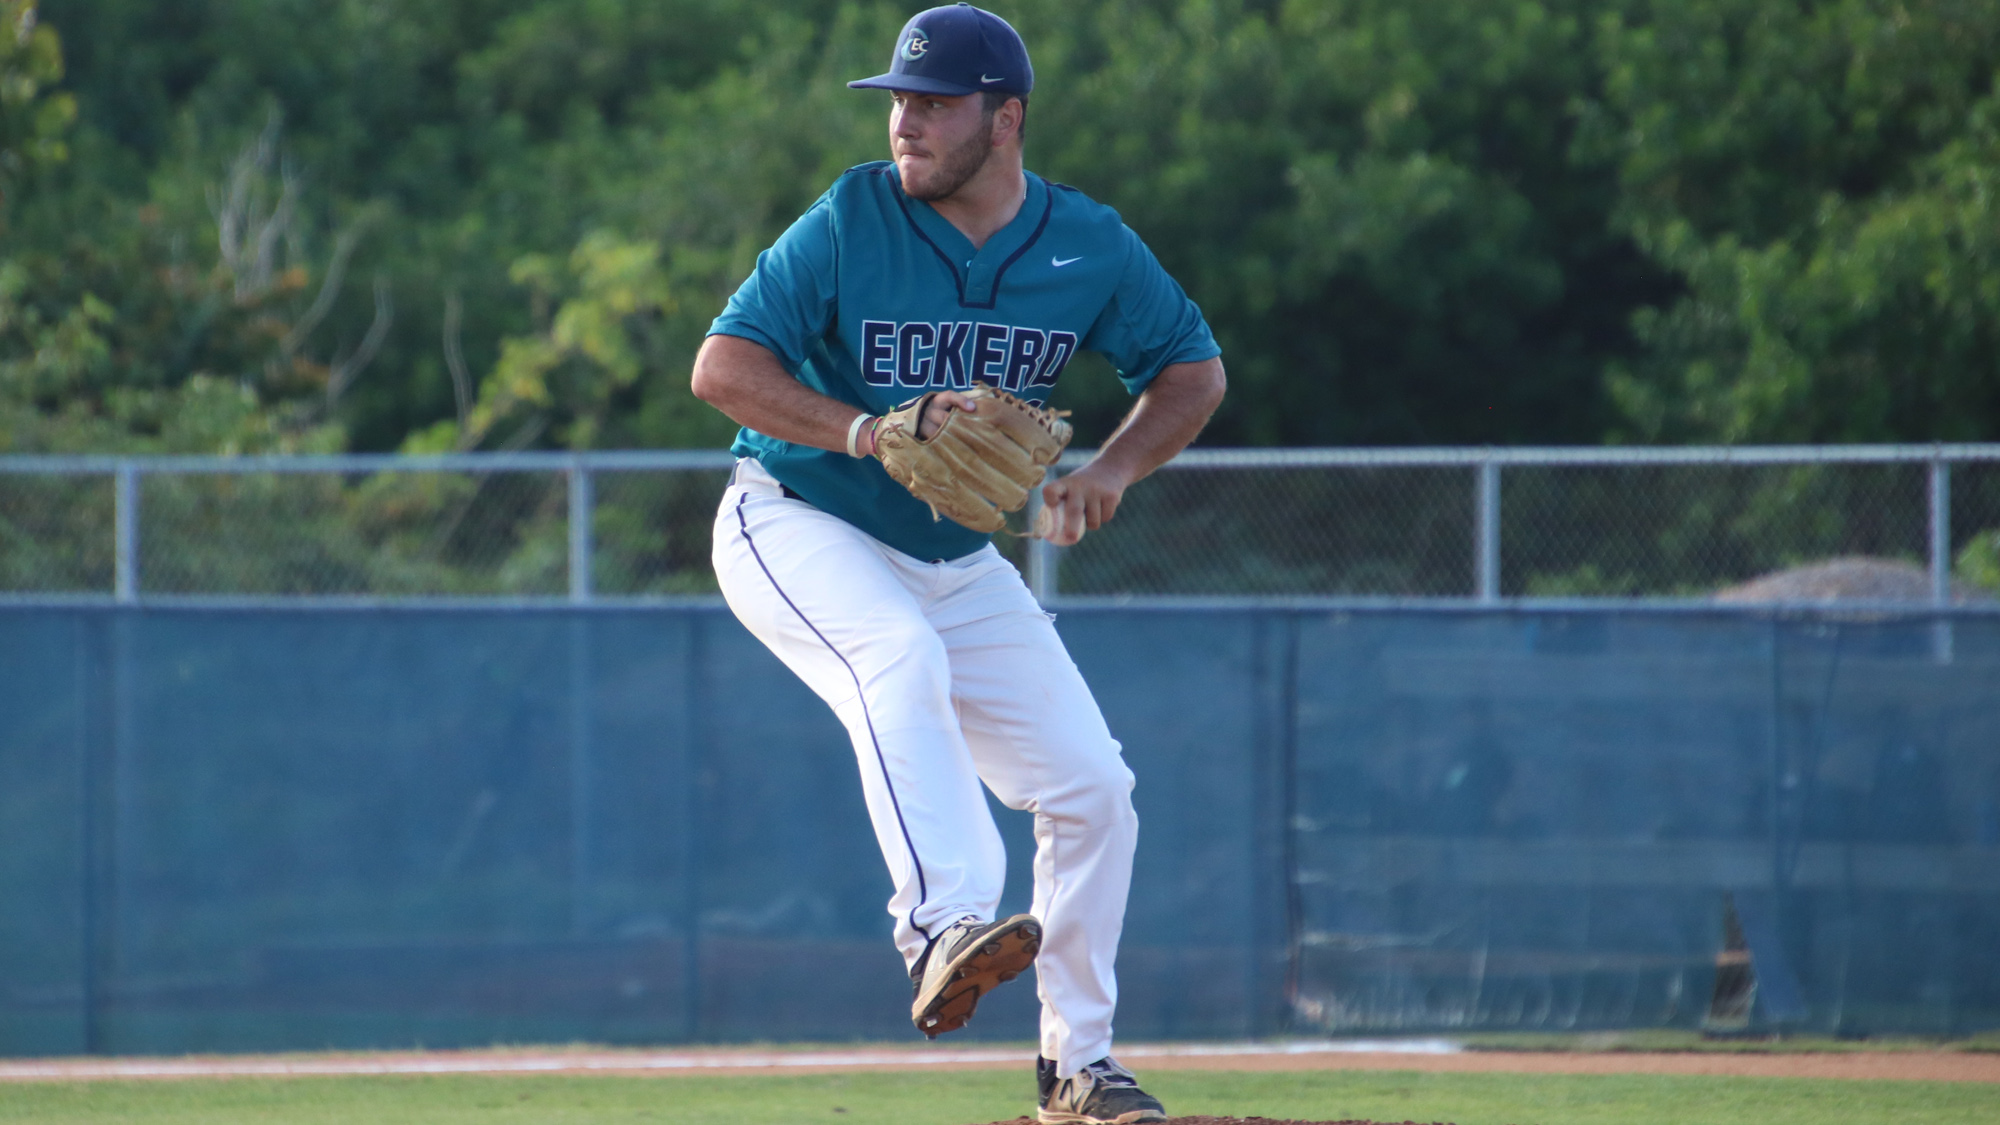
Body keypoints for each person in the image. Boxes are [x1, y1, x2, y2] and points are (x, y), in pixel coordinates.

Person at [690, 5, 1225, 1121]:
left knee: (1092, 792)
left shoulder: (1087, 245)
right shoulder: (850, 218)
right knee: (895, 659)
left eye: (933, 103)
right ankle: (939, 925)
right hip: (796, 517)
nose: (906, 122)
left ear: (1006, 116)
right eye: (897, 100)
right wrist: (865, 429)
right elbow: (721, 366)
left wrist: (1113, 472)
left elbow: (1189, 371)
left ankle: (1076, 1067)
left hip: (953, 556)